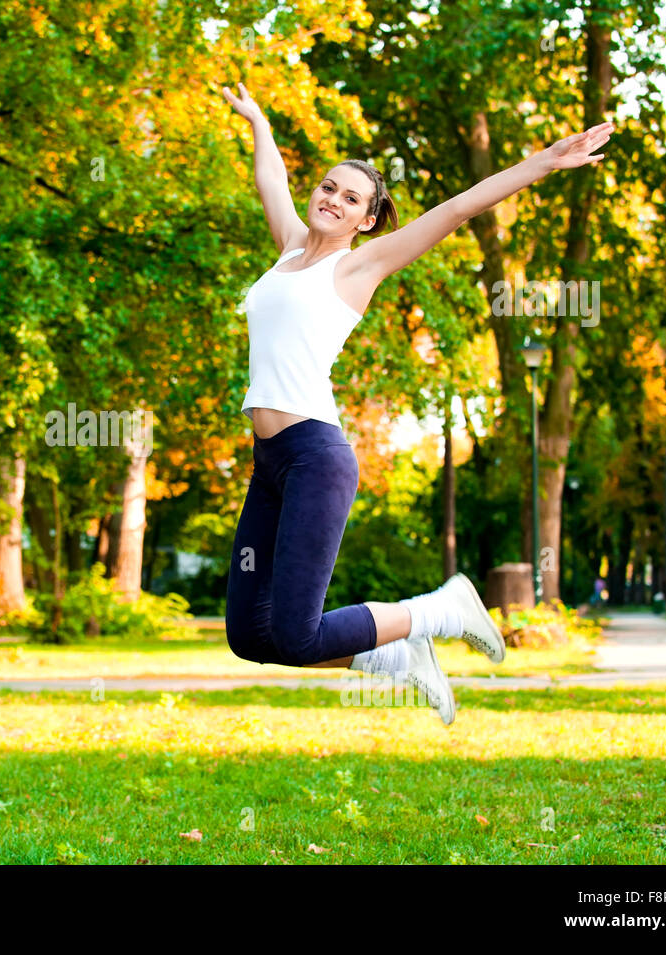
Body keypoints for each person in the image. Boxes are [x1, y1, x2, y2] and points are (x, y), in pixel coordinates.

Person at [221, 81, 613, 724]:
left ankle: (441, 610)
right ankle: (400, 658)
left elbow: (455, 210)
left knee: (295, 634)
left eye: (351, 198)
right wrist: (260, 122)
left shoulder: (358, 268)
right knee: (250, 635)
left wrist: (543, 162)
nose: (332, 201)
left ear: (367, 219)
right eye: (328, 188)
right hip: (270, 462)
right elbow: (271, 180)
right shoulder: (289, 249)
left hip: (317, 457)